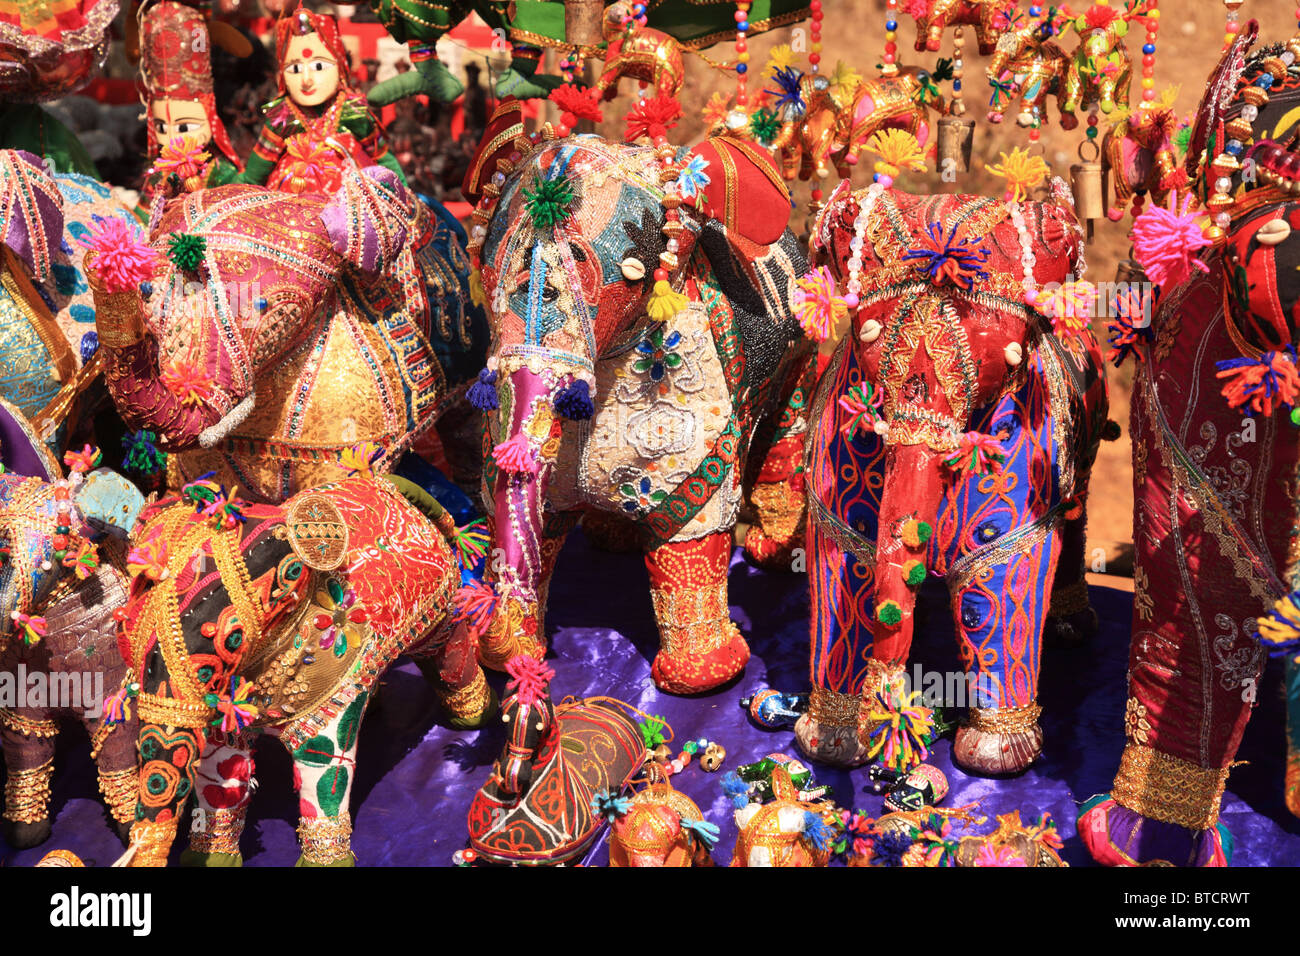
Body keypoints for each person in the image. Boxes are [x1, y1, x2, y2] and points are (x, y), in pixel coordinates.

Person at [241, 4, 406, 194]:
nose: (306, 80)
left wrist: (403, 191)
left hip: (348, 204)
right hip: (291, 206)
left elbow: (383, 157)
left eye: (319, 66)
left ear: (340, 67)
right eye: (294, 69)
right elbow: (255, 171)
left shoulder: (351, 112)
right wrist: (238, 191)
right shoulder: (283, 116)